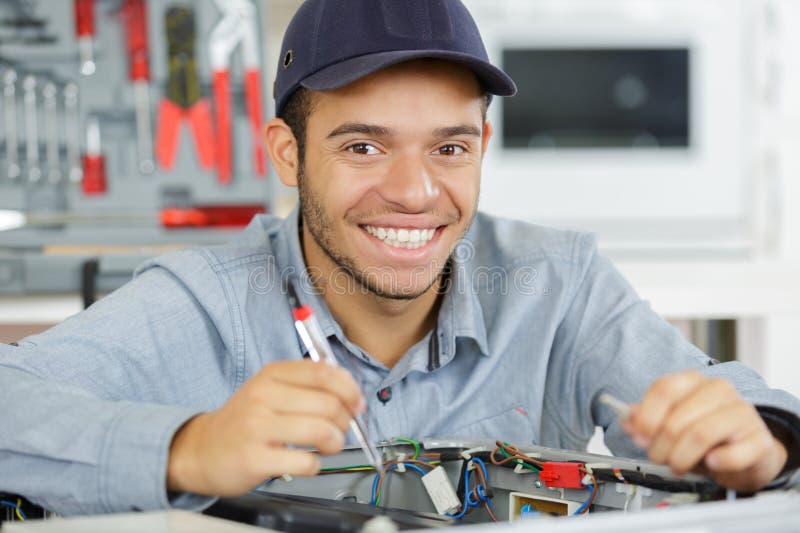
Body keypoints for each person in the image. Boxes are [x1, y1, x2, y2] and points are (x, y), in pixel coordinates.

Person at [1, 0, 798, 517]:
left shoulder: (555, 281)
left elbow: (737, 407)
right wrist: (189, 447)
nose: (415, 193)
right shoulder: (204, 299)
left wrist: (761, 438)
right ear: (288, 152)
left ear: (481, 145)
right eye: (363, 145)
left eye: (449, 147)